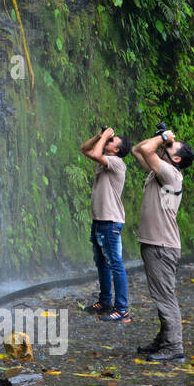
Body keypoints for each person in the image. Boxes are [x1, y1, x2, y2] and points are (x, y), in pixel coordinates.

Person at [132, 127, 194, 362]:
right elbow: (139, 149)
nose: (164, 147)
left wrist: (163, 138)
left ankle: (174, 345)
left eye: (169, 148)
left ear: (176, 159)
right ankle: (164, 339)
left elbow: (147, 148)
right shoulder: (160, 171)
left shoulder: (170, 174)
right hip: (156, 243)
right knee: (160, 294)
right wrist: (162, 141)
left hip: (162, 245)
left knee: (164, 296)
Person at [80, 127, 132, 322]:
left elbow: (94, 153)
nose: (107, 142)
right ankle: (104, 302)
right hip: (99, 220)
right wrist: (98, 136)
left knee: (116, 264)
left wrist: (103, 138)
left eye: (111, 141)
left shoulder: (117, 163)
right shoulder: (106, 161)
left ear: (117, 150)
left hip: (110, 222)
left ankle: (122, 309)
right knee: (102, 263)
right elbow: (85, 149)